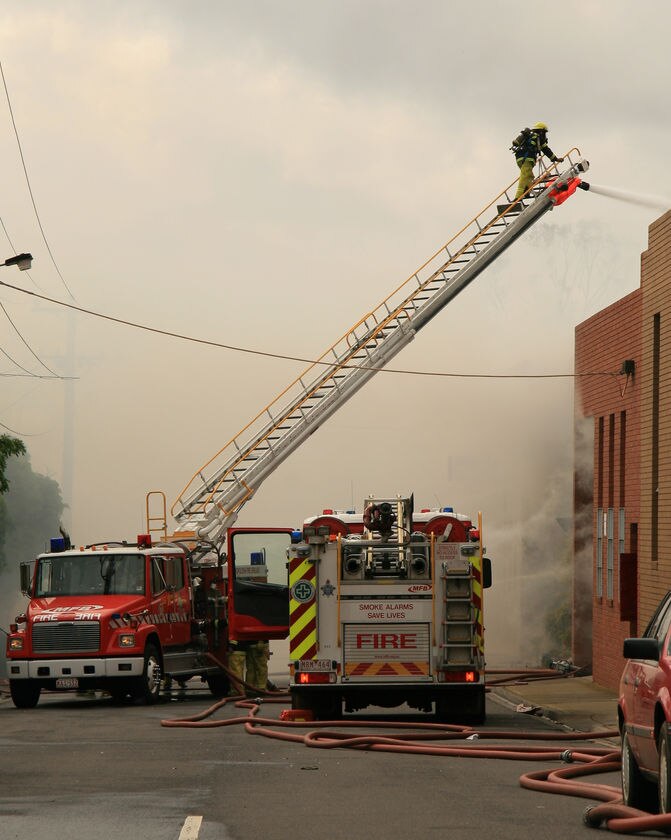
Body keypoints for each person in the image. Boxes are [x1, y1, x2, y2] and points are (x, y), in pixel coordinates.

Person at [511, 122, 564, 200]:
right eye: (544, 132)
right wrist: (555, 159)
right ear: (541, 131)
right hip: (527, 158)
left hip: (520, 158)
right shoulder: (538, 137)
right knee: (525, 176)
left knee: (529, 175)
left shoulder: (529, 136)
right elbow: (546, 150)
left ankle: (527, 192)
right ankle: (518, 197)